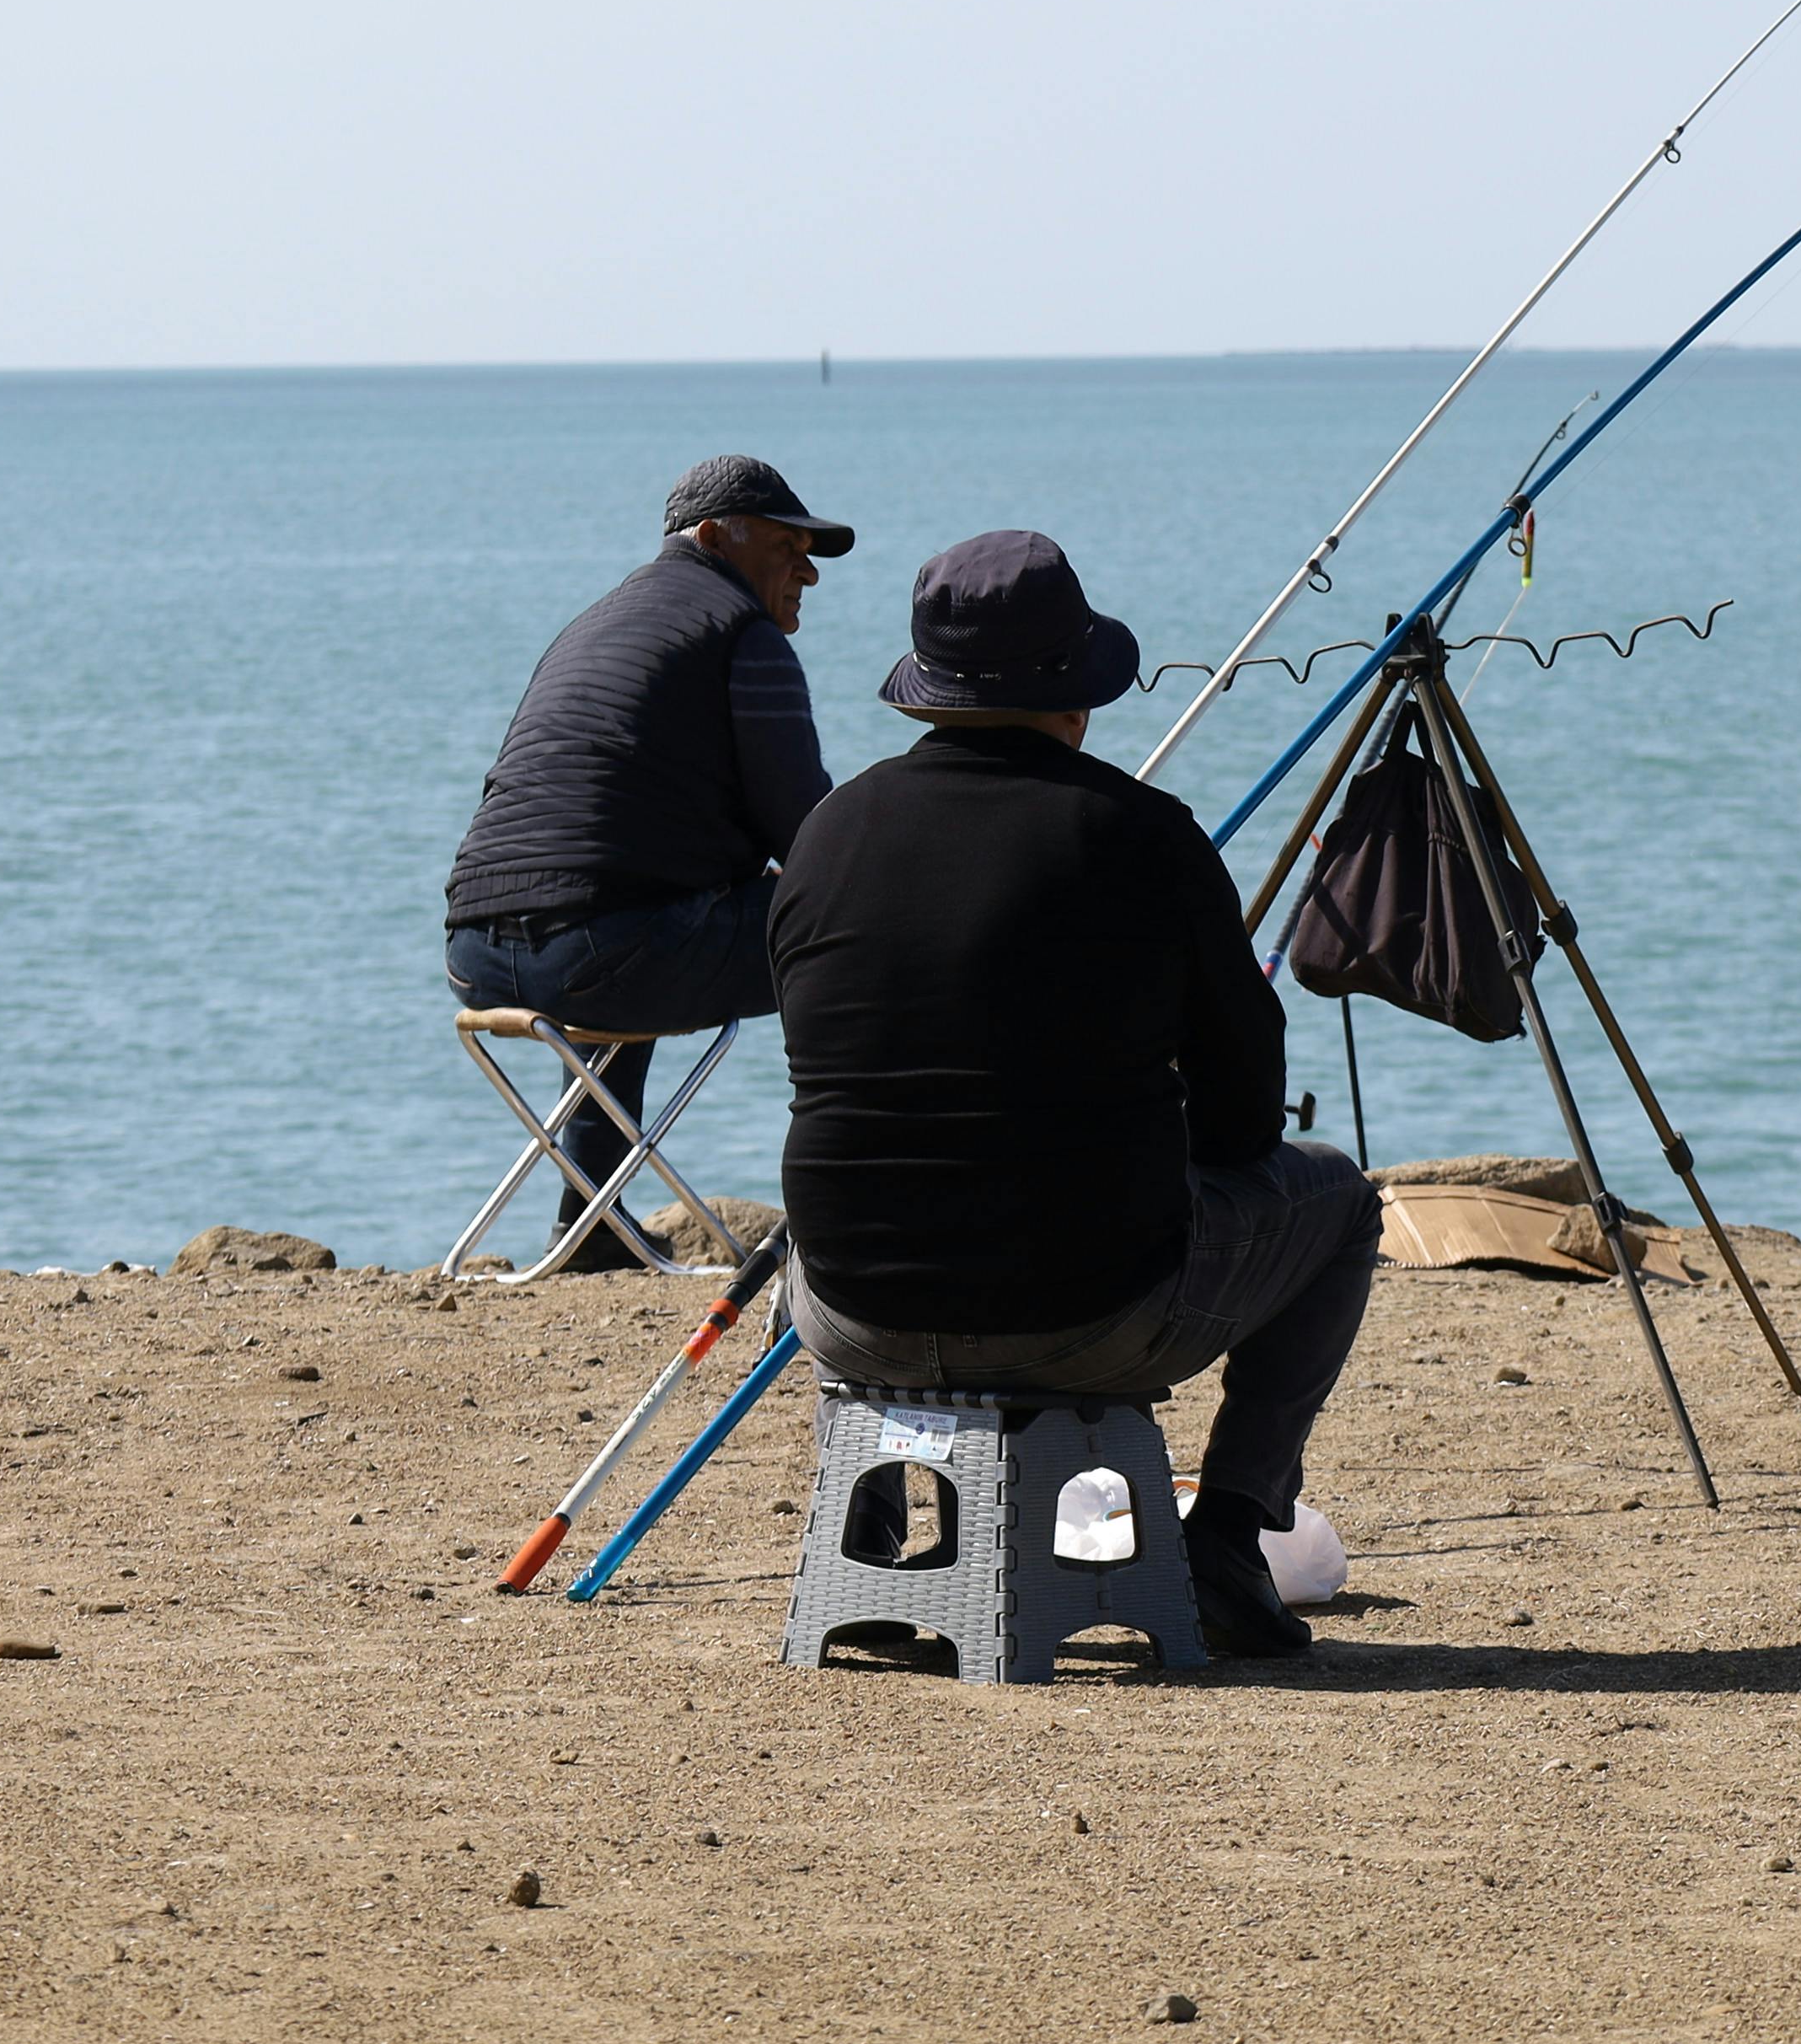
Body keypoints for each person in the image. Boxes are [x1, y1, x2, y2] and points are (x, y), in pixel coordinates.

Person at [769, 528, 1381, 1660]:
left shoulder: (826, 834)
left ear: (928, 691)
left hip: (855, 1315)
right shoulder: (1145, 836)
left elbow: (835, 1069)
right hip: (1090, 1318)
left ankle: (873, 1544)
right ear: (1079, 695)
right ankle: (1230, 1539)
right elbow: (1249, 1116)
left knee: (831, 1194)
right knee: (1340, 1202)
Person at [446, 453, 851, 1276]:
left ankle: (591, 1221)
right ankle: (860, 1208)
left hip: (475, 951)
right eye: (785, 545)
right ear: (712, 536)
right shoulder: (739, 632)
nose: (807, 569)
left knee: (646, 905)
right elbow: (811, 836)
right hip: (601, 953)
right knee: (861, 929)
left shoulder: (600, 621)